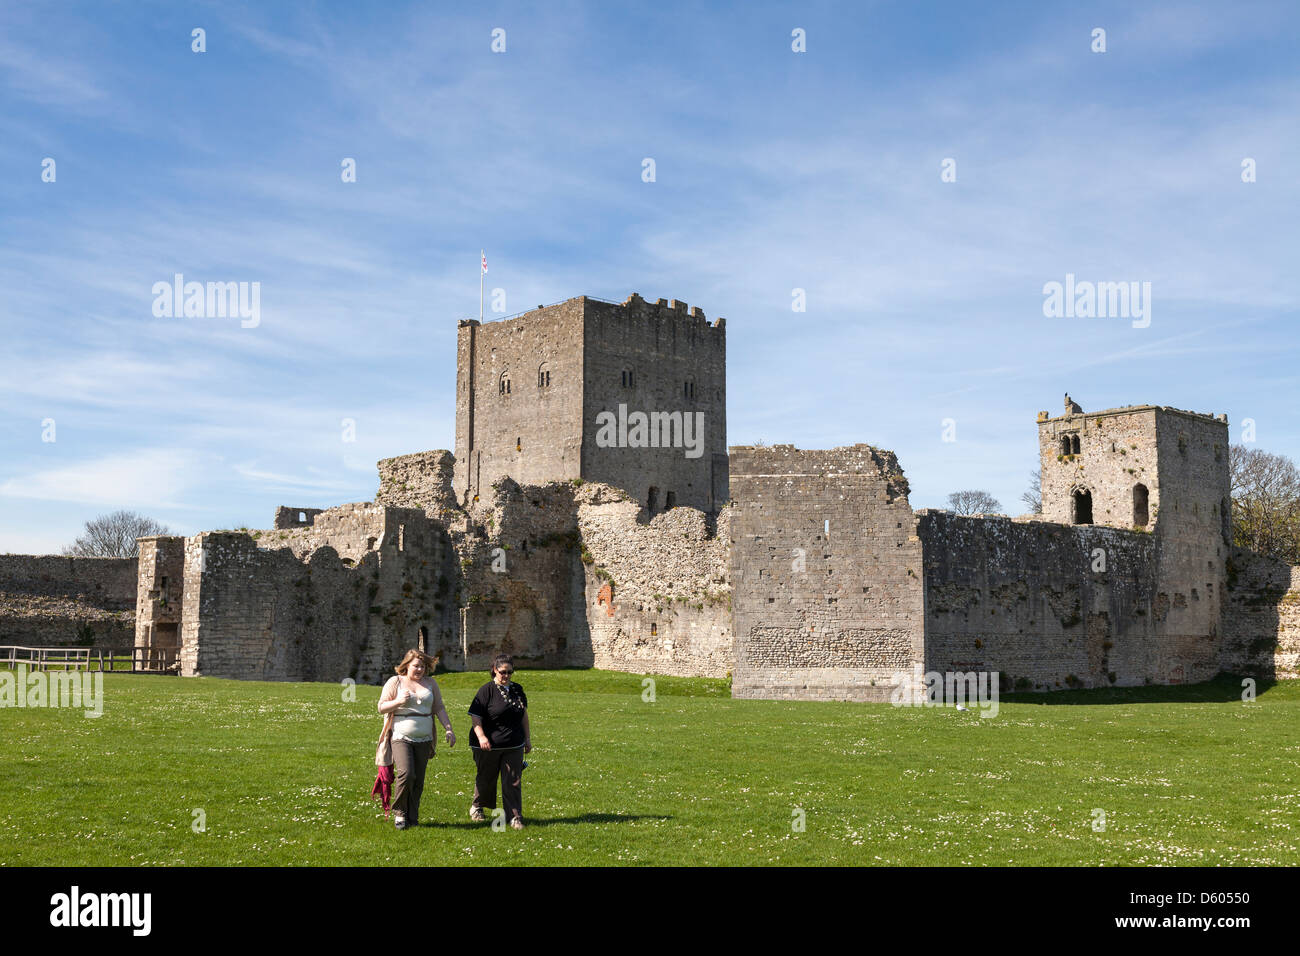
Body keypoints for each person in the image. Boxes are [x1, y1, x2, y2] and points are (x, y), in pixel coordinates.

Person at [378, 649, 455, 830]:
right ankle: (400, 813)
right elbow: (381, 707)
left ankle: (413, 815)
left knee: (418, 779)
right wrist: (398, 702)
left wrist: (449, 729)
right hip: (400, 736)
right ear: (406, 666)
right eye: (416, 666)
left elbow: (439, 708)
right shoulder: (395, 682)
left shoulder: (431, 684)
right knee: (406, 773)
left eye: (423, 666)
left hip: (425, 738)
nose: (419, 669)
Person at [468, 653, 531, 829]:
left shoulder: (518, 689)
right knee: (486, 778)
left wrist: (527, 738)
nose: (507, 676)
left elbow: (523, 715)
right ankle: (477, 807)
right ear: (495, 670)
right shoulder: (486, 690)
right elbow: (476, 716)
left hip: (514, 743)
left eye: (510, 672)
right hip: (489, 745)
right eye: (503, 672)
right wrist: (481, 737)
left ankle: (514, 817)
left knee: (513, 780)